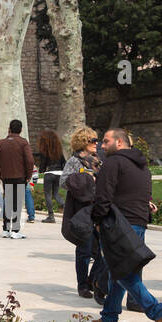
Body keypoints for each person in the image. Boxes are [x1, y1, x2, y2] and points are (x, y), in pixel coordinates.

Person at [90, 129, 162, 322]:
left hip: (118, 224)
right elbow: (145, 193)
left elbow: (103, 196)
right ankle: (109, 316)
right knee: (120, 270)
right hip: (138, 223)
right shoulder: (142, 165)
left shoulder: (113, 162)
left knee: (122, 271)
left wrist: (97, 221)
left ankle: (158, 311)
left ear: (119, 143)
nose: (102, 145)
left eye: (106, 141)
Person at [61, 127, 107, 300]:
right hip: (81, 211)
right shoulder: (74, 161)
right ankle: (82, 285)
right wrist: (87, 179)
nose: (97, 144)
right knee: (84, 250)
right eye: (93, 141)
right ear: (83, 143)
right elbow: (64, 182)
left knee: (103, 250)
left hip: (98, 209)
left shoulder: (99, 159)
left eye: (97, 140)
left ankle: (92, 280)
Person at [0, 120, 33, 238]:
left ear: (9, 128)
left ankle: (5, 229)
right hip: (20, 177)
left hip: (6, 177)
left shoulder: (0, 143)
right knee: (17, 203)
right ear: (20, 130)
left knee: (8, 201)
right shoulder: (23, 143)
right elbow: (30, 161)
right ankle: (15, 230)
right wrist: (28, 176)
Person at [35, 129, 65, 223]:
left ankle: (51, 216)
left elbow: (43, 165)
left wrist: (40, 171)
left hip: (49, 173)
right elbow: (64, 162)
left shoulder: (44, 151)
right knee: (56, 194)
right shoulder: (59, 151)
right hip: (59, 173)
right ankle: (67, 208)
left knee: (48, 195)